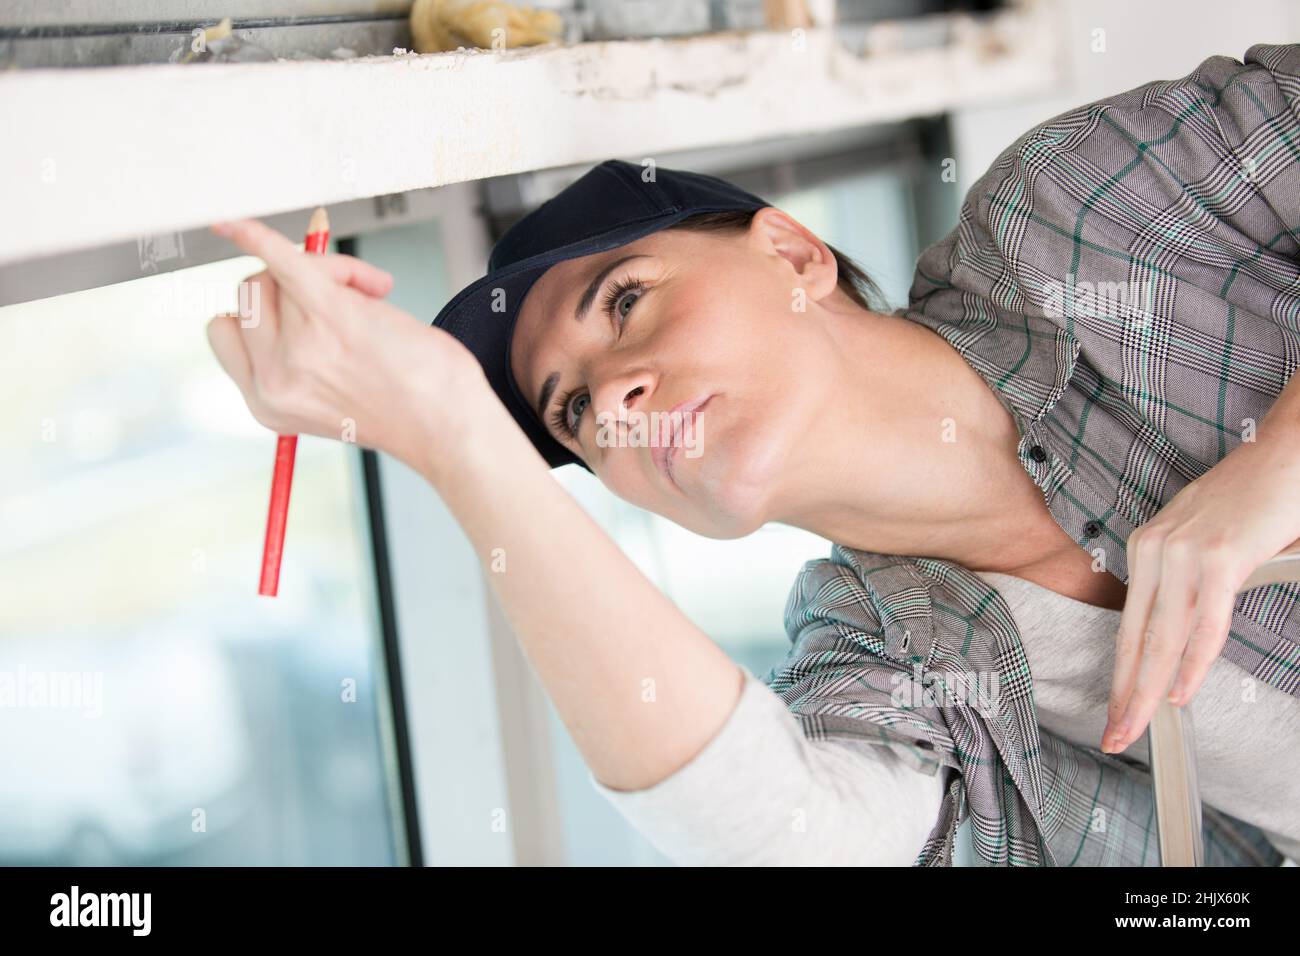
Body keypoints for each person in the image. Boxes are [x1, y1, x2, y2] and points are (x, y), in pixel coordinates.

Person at [206, 42, 1300, 865]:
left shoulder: (1072, 216)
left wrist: (1268, 473)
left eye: (625, 301)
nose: (615, 397)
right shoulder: (883, 653)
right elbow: (783, 829)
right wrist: (451, 434)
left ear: (791, 251)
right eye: (575, 414)